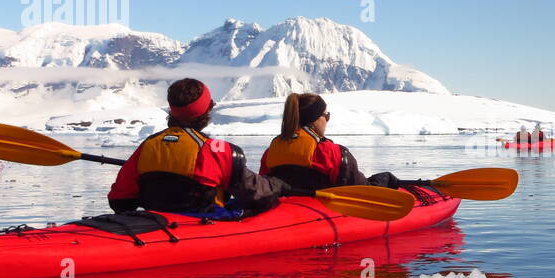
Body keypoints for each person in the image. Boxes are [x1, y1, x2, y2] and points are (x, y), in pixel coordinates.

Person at [108, 78, 282, 216]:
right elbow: (257, 196)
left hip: (156, 224)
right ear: (206, 111)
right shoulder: (218, 151)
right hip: (204, 227)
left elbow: (120, 201)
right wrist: (279, 185)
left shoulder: (147, 146)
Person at [261, 92, 426, 194]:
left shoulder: (272, 150)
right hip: (321, 212)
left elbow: (263, 183)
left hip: (286, 208)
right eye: (326, 116)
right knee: (384, 178)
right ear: (314, 120)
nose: (327, 120)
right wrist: (386, 180)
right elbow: (363, 189)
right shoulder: (330, 152)